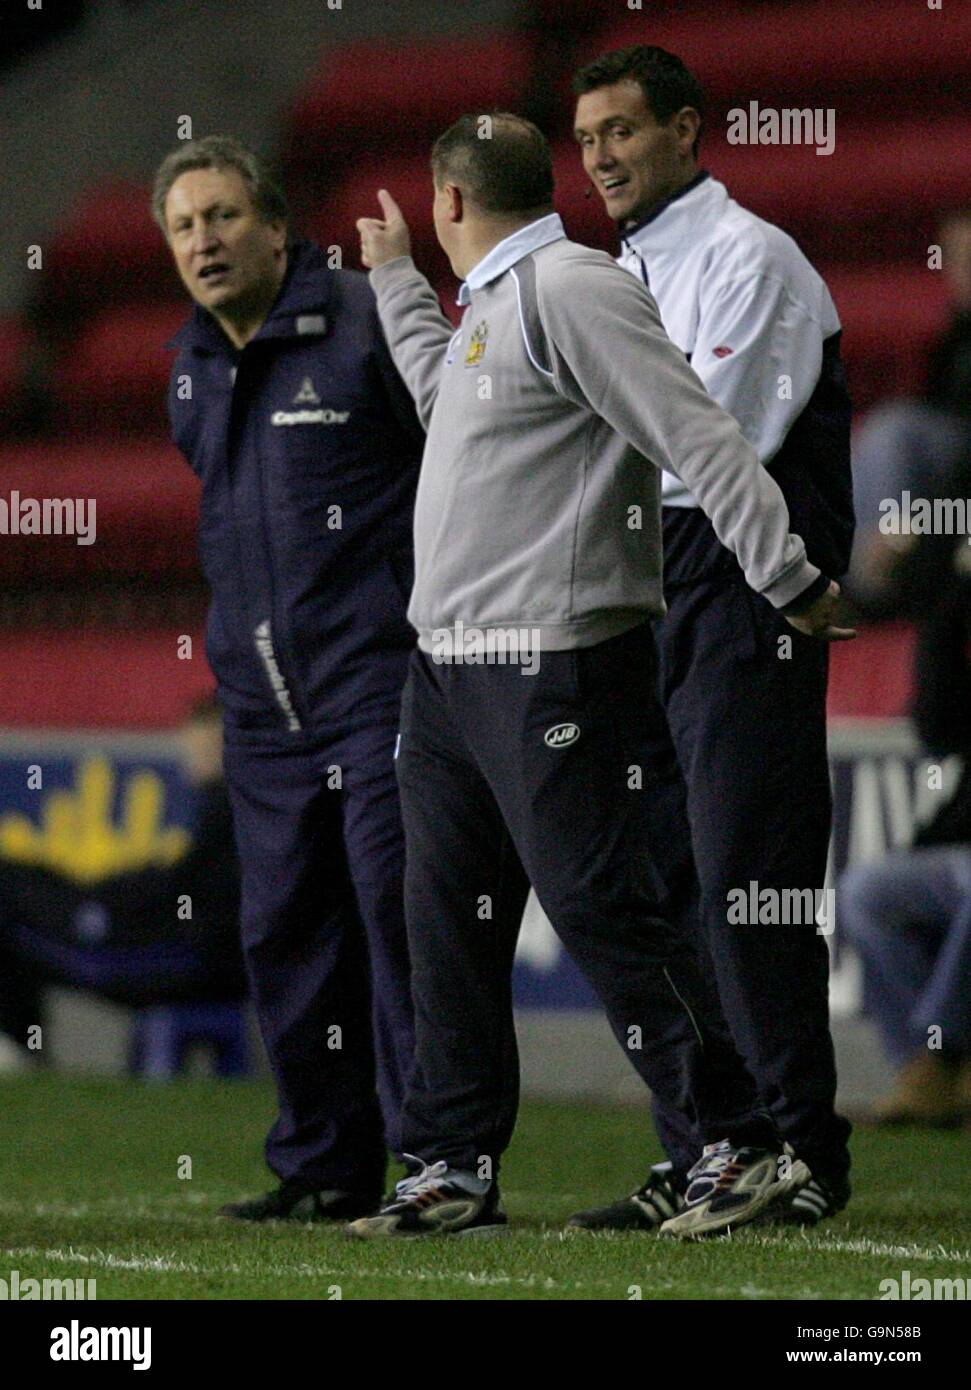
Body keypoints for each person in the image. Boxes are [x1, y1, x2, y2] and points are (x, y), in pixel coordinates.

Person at [348, 112, 852, 1241]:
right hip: (451, 671)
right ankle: (450, 1161)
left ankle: (739, 1140)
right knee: (444, 920)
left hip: (555, 659)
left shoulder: (574, 290)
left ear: (445, 201)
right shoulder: (494, 303)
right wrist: (393, 288)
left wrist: (784, 572)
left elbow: (696, 434)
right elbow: (446, 412)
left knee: (606, 912)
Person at [566, 46, 855, 1231]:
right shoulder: (618, 273)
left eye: (620, 133)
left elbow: (704, 446)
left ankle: (800, 1147)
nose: (599, 160)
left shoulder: (751, 260)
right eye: (584, 142)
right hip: (651, 588)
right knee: (666, 880)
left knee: (747, 876)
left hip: (740, 585)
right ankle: (713, 1148)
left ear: (687, 130)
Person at [155, 135, 424, 1221]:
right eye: (182, 226)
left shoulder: (365, 327)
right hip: (262, 712)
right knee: (283, 936)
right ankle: (322, 1164)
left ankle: (440, 1163)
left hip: (381, 682)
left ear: (275, 228)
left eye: (222, 217)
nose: (203, 242)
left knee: (397, 920)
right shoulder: (190, 363)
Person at [0, 696, 245, 1056]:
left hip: (185, 962)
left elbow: (188, 898)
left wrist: (112, 902)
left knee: (11, 923)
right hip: (181, 950)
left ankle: (23, 1052)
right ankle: (23, 1050)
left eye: (201, 746)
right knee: (21, 886)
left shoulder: (228, 809)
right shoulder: (230, 808)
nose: (190, 755)